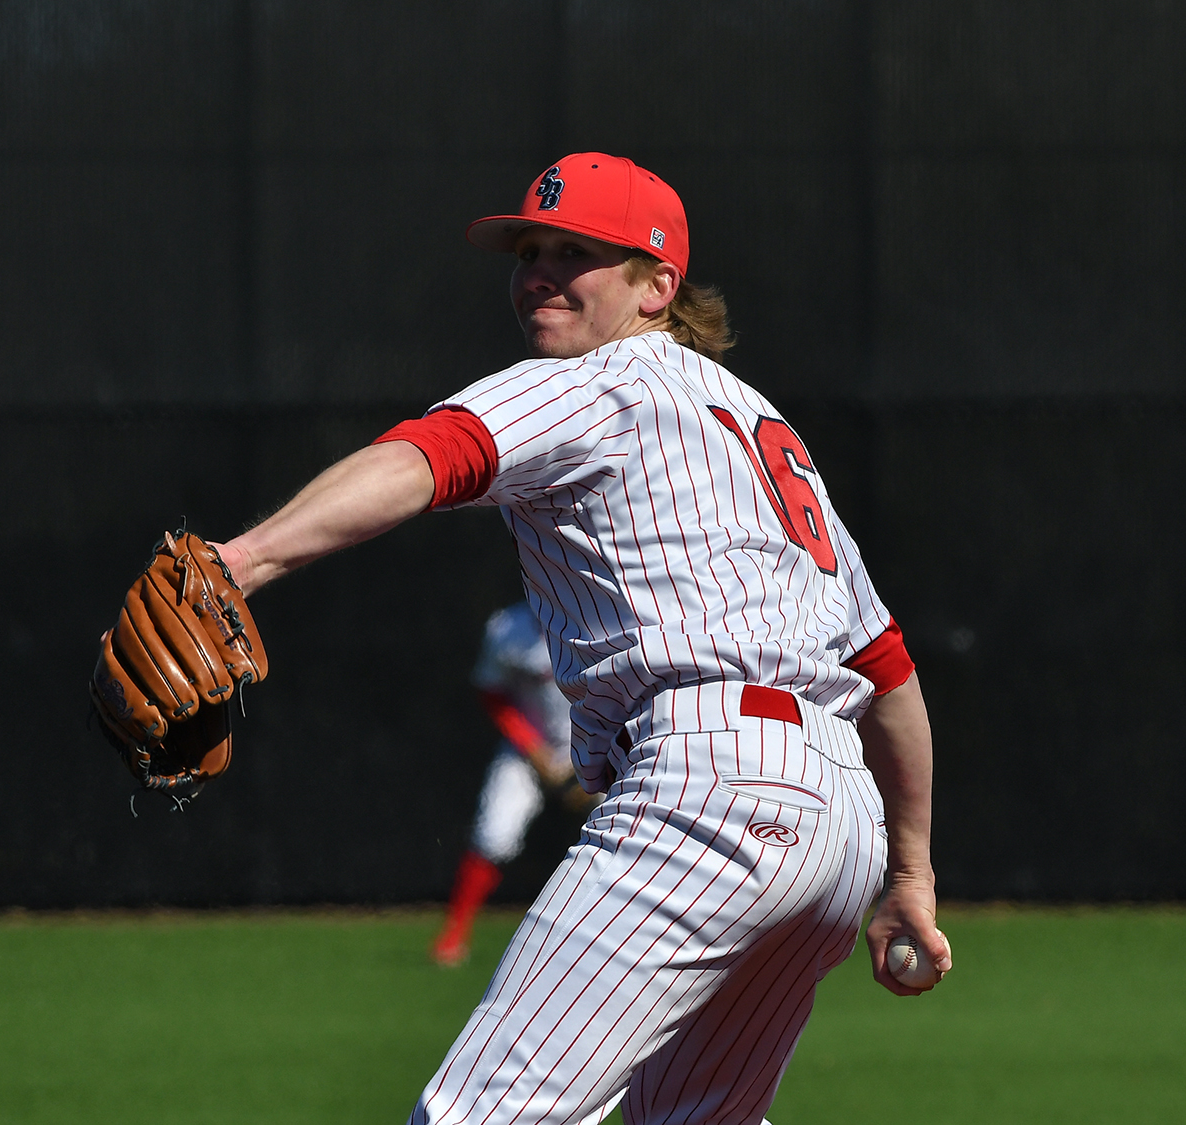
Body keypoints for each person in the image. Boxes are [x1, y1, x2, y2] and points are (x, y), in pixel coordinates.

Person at [216, 152, 950, 1125]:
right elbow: (884, 675)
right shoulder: (761, 429)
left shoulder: (601, 382)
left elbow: (430, 457)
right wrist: (906, 875)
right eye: (529, 251)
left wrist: (242, 563)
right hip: (836, 827)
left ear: (656, 287)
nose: (539, 273)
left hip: (711, 790)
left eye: (578, 254)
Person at [431, 601, 591, 968]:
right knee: (493, 834)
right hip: (528, 749)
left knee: (632, 834)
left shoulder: (600, 618)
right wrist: (535, 751)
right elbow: (492, 692)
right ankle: (453, 936)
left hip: (595, 744)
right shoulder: (509, 627)